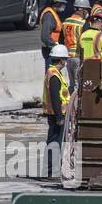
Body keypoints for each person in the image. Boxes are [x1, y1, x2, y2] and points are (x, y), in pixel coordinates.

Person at [42, 44, 71, 177]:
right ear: (61, 60)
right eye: (65, 59)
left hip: (55, 114)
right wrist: (59, 117)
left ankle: (51, 171)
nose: (65, 62)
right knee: (55, 144)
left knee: (54, 143)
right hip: (56, 115)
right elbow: (55, 97)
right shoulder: (54, 75)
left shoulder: (53, 72)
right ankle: (51, 172)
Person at [60, 0, 90, 88]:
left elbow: (61, 40)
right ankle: (76, 102)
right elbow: (84, 43)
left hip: (67, 57)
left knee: (72, 83)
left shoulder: (66, 21)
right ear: (83, 10)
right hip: (78, 57)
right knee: (78, 85)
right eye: (87, 10)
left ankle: (70, 101)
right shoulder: (83, 23)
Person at [39, 0, 67, 66]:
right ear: (58, 3)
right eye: (62, 4)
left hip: (53, 49)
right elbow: (45, 36)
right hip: (50, 49)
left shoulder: (53, 14)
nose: (63, 6)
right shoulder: (49, 15)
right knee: (51, 72)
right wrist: (55, 46)